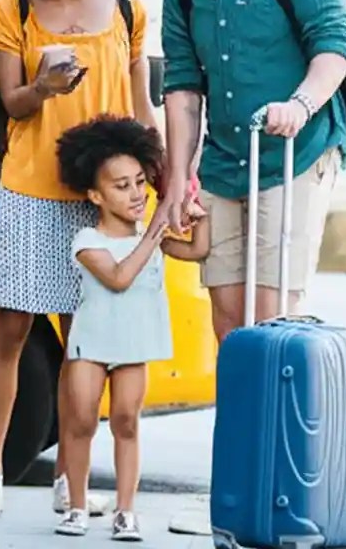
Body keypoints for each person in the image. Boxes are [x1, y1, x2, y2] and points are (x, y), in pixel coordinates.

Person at [147, 0, 346, 535]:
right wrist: (177, 178)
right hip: (225, 164)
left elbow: (336, 44)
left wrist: (300, 103)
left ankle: (279, 488)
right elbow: (183, 88)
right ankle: (237, 488)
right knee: (229, 331)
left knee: (271, 321)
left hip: (294, 156)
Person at [0, 0, 157, 520]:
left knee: (87, 342)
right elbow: (12, 102)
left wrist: (160, 184)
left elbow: (141, 110)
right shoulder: (12, 10)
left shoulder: (127, 10)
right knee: (8, 330)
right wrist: (45, 87)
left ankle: (69, 483)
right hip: (29, 191)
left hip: (99, 201)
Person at [51, 115, 210, 539]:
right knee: (81, 421)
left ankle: (126, 511)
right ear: (95, 195)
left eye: (140, 182)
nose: (137, 194)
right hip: (91, 344)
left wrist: (197, 213)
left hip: (133, 343)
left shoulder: (152, 238)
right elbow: (119, 277)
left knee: (126, 420)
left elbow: (198, 250)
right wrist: (156, 229)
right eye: (122, 186)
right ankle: (77, 506)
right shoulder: (88, 242)